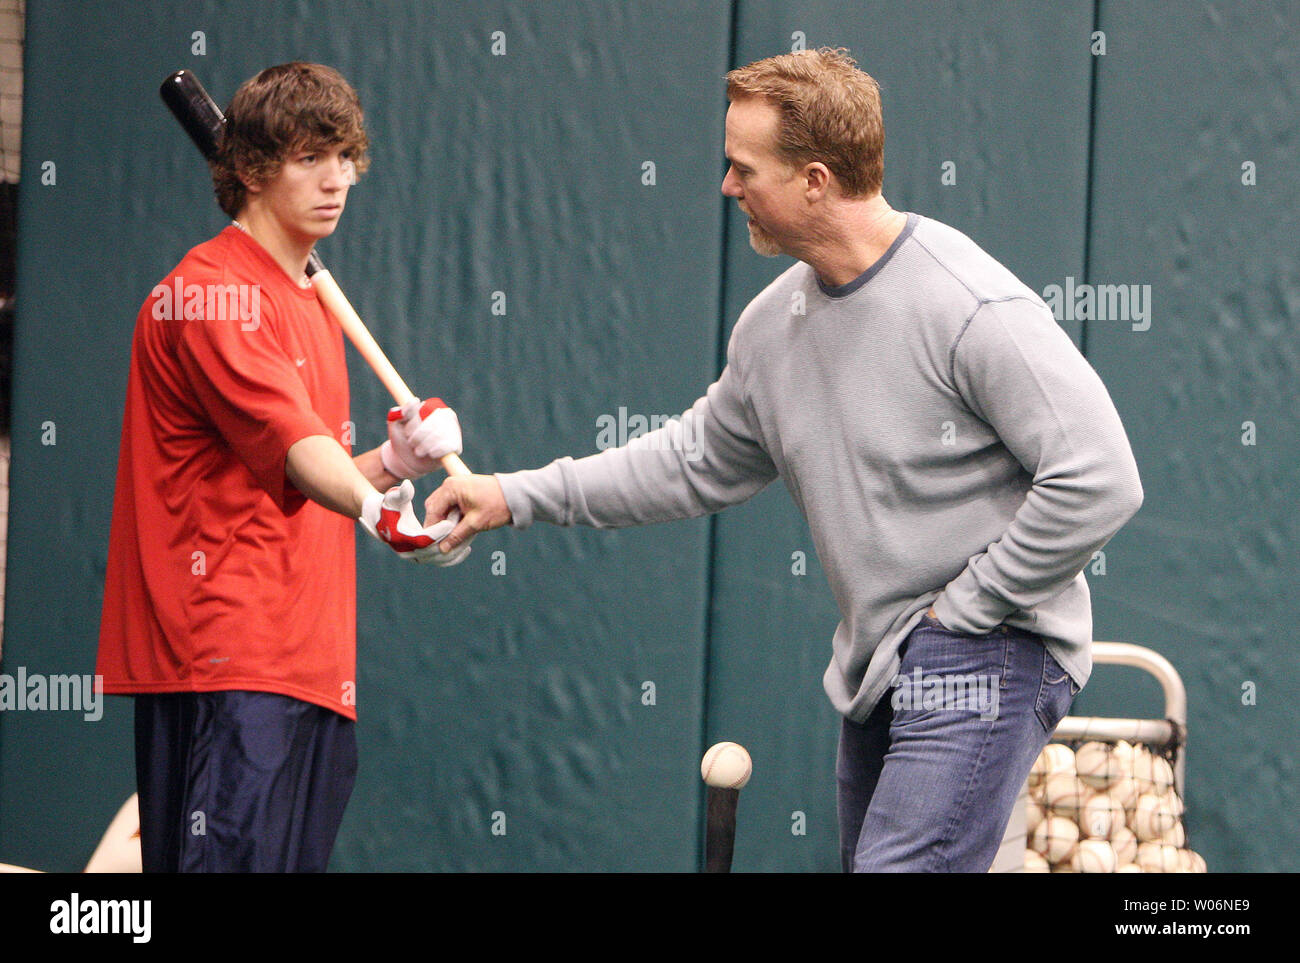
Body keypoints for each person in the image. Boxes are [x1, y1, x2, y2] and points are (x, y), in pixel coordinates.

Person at [424, 48, 1144, 872]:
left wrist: (967, 608)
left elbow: (1099, 477)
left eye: (743, 168)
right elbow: (688, 461)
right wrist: (510, 495)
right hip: (879, 661)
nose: (726, 186)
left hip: (989, 646)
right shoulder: (772, 329)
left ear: (814, 180)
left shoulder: (971, 304)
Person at [97, 62, 465, 872]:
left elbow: (284, 478)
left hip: (312, 667)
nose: (337, 180)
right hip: (227, 662)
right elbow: (298, 451)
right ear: (253, 168)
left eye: (345, 157)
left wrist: (390, 463)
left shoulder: (307, 300)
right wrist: (381, 514)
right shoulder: (208, 293)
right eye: (309, 158)